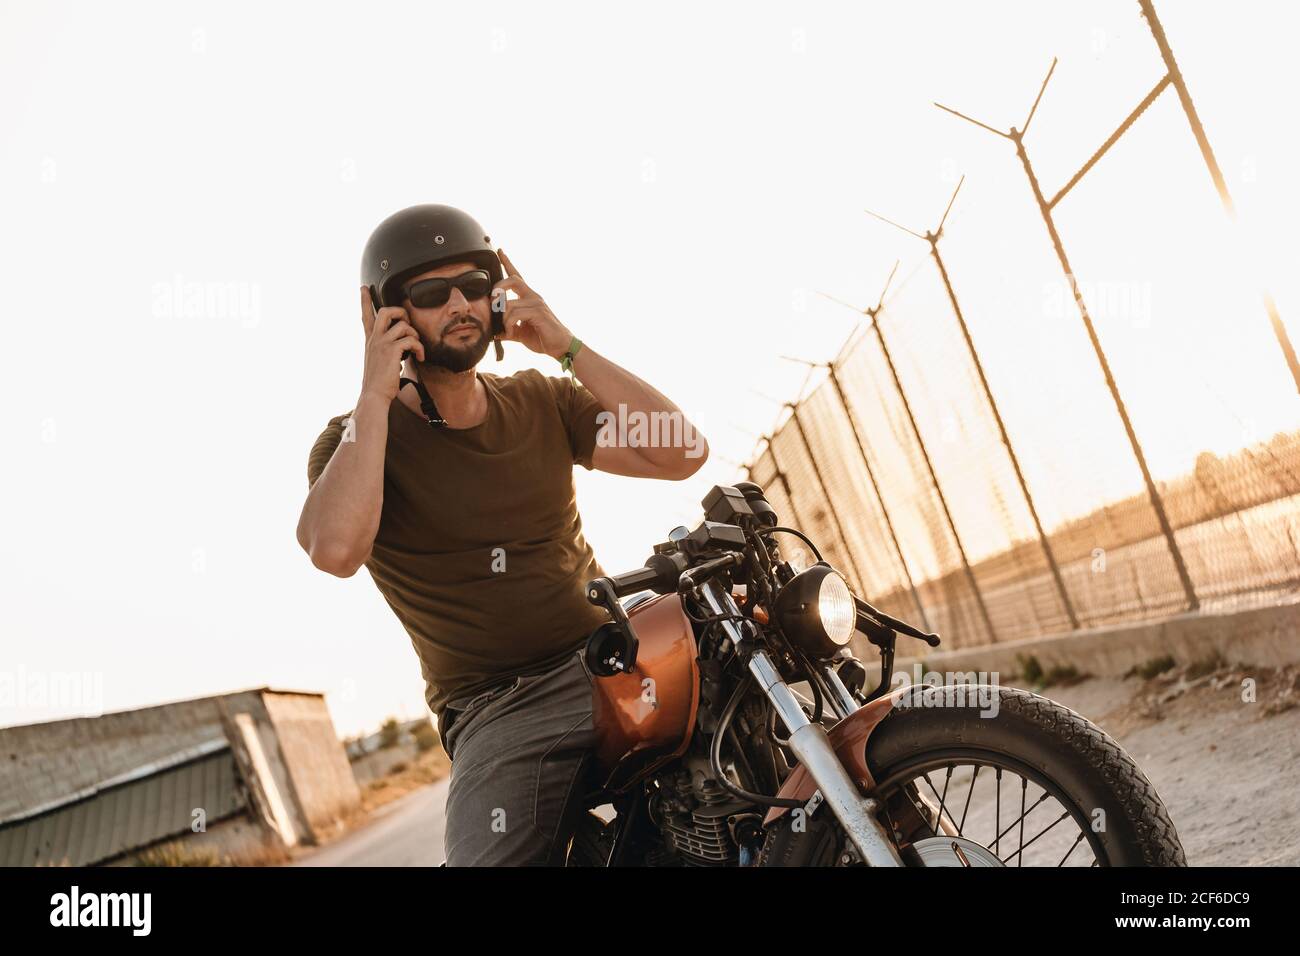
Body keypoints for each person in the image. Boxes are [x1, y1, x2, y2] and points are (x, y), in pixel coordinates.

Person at [296, 204, 708, 865]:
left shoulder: (543, 400)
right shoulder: (355, 443)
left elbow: (681, 451)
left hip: (612, 656)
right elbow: (336, 550)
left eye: (473, 287)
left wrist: (567, 347)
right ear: (386, 318)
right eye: (432, 294)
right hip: (502, 707)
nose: (459, 303)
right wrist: (373, 398)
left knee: (757, 732)